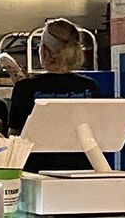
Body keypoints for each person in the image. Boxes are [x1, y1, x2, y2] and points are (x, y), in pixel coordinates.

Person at [8, 18, 100, 172]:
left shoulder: (25, 88)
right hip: (83, 170)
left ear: (44, 50)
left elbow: (14, 139)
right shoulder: (90, 87)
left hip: (35, 171)